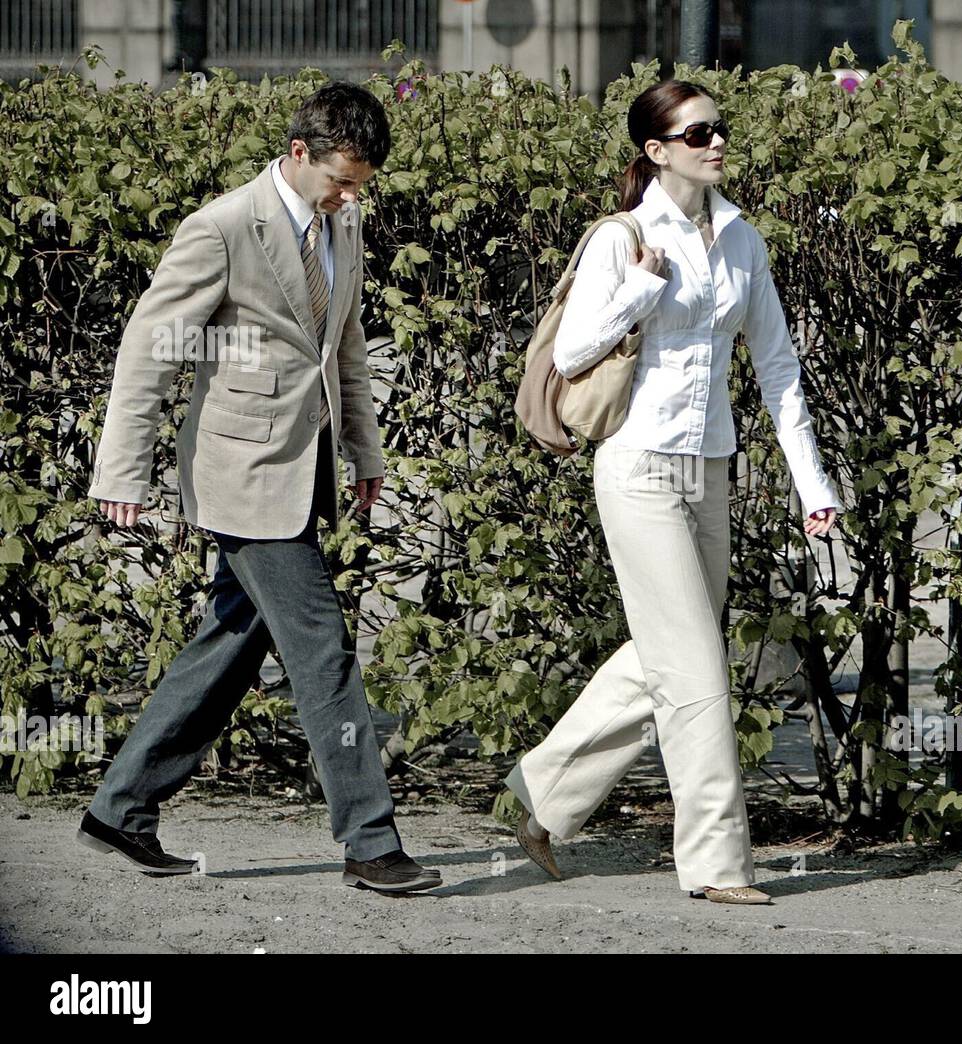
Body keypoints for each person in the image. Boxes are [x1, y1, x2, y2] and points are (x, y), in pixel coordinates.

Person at [80, 82, 441, 894]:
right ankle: (371, 842)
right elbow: (151, 348)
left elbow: (343, 343)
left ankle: (121, 807)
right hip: (240, 473)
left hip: (303, 467)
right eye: (340, 182)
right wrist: (122, 471)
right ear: (299, 152)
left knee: (231, 644)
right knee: (323, 653)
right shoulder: (221, 227)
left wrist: (364, 453)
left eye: (361, 186)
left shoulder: (340, 222)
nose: (351, 199)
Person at [506, 79, 843, 905]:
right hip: (639, 466)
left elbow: (778, 370)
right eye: (697, 135)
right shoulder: (622, 238)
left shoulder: (741, 239)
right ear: (656, 151)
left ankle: (538, 793)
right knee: (697, 672)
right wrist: (644, 287)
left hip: (712, 470)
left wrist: (812, 485)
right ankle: (718, 866)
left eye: (718, 130)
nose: (715, 144)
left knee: (665, 656)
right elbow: (575, 349)